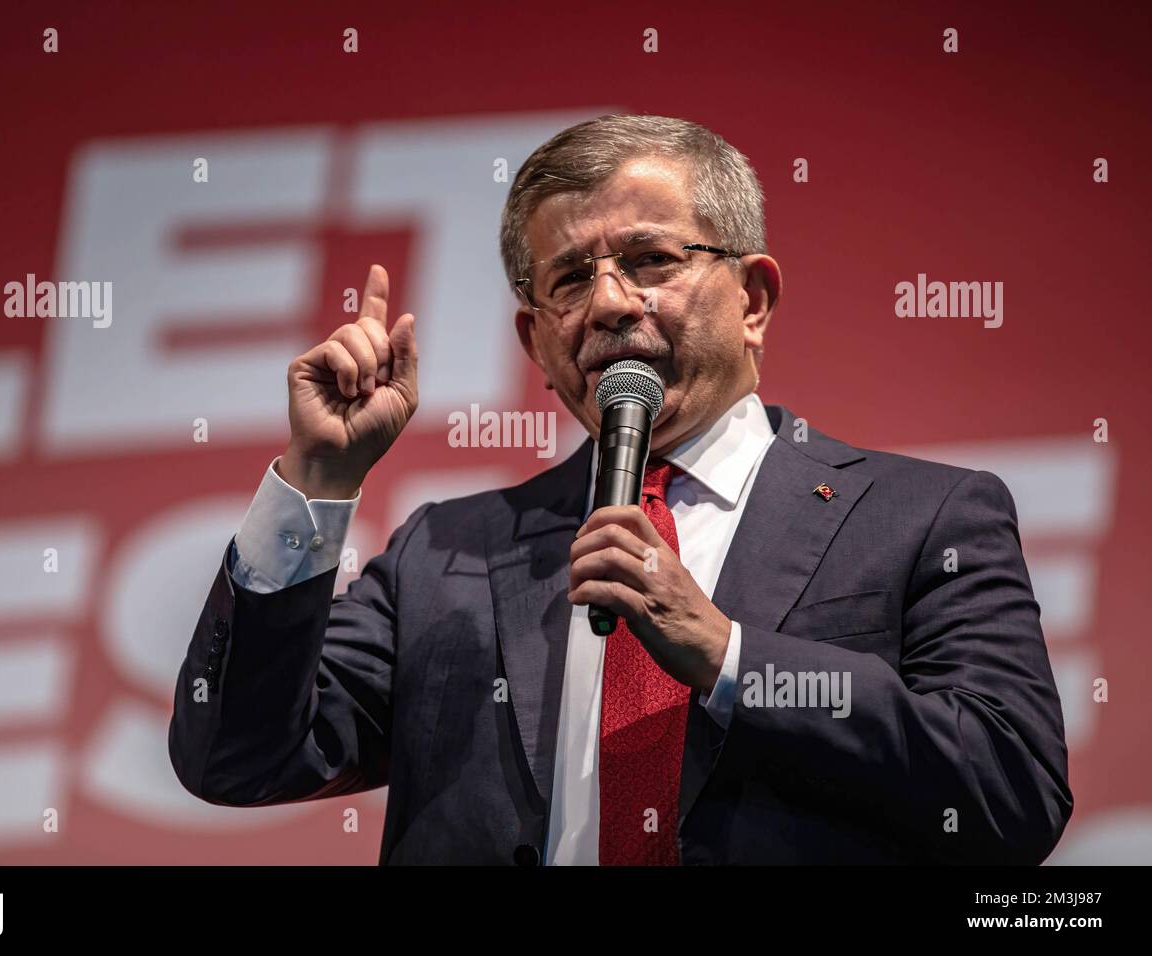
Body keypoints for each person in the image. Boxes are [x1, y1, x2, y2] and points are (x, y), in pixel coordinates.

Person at [168, 113, 1072, 865]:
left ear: (753, 300)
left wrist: (729, 657)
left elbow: (1010, 788)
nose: (606, 303)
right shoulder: (445, 554)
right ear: (536, 342)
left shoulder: (926, 518)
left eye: (648, 261)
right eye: (569, 278)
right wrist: (317, 482)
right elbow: (239, 759)